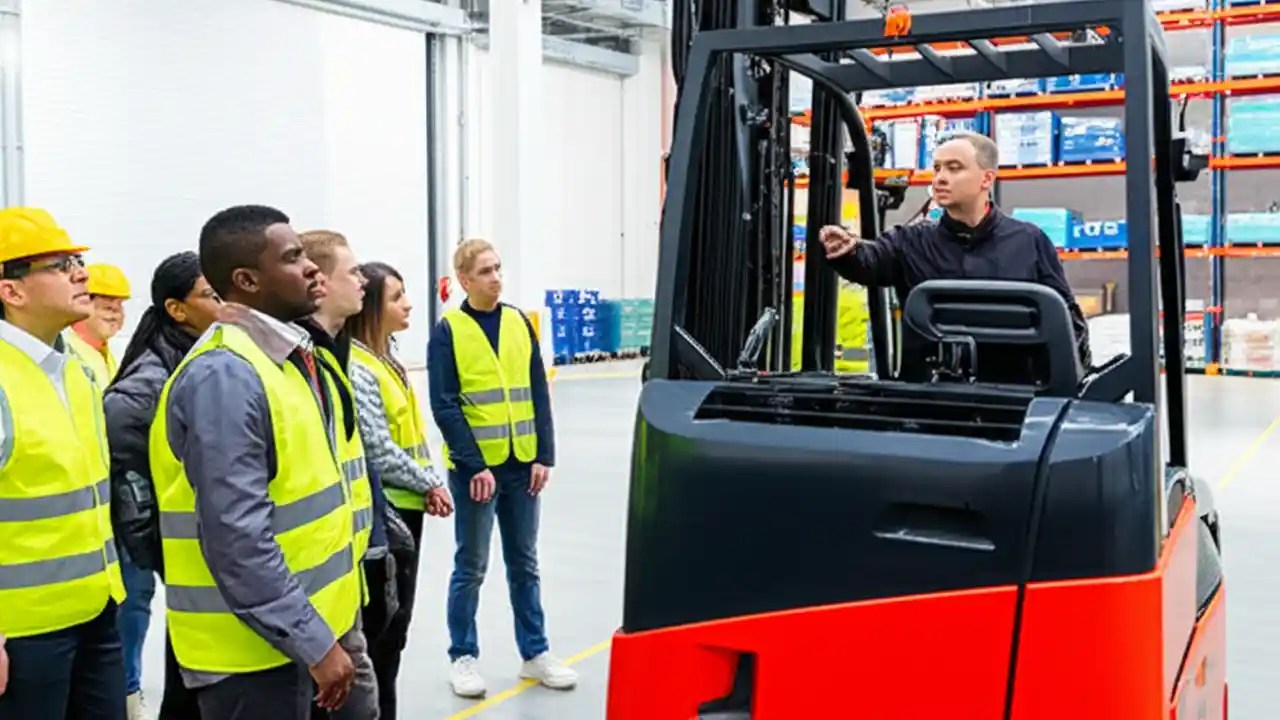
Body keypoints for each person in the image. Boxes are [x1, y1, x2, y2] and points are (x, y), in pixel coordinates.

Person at [149, 205, 361, 720]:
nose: (312, 267)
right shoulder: (226, 376)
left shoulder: (285, 358)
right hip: (255, 657)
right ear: (245, 280)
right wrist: (314, 642)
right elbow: (237, 538)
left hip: (304, 635)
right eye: (293, 258)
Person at [428, 238, 576, 698]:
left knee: (525, 563)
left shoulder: (517, 322)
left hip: (521, 464)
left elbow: (538, 390)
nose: (496, 277)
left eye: (498, 268)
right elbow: (445, 405)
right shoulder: (449, 331)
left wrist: (543, 454)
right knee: (471, 565)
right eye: (486, 271)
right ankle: (463, 656)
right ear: (465, 279)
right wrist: (474, 465)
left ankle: (535, 652)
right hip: (478, 471)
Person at [818, 131, 1092, 377]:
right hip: (932, 399)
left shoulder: (1029, 241)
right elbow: (872, 260)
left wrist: (1073, 380)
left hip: (1014, 398)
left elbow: (1067, 318)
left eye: (954, 168)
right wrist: (849, 250)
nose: (940, 178)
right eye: (937, 168)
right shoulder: (911, 240)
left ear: (987, 178)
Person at [0, 207, 128, 719]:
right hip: (24, 634)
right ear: (11, 290)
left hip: (97, 609)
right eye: (59, 264)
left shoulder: (76, 370)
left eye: (78, 260)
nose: (82, 274)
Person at [102, 251, 222, 720]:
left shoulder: (207, 358)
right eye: (211, 296)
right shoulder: (147, 383)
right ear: (177, 309)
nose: (225, 304)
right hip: (185, 557)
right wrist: (164, 555)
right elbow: (132, 488)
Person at [345, 260, 452, 716]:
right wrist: (430, 481)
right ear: (369, 307)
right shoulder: (359, 367)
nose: (408, 304)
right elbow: (378, 448)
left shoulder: (388, 359)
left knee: (397, 628)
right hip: (385, 515)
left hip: (408, 508)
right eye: (396, 297)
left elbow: (410, 439)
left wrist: (425, 484)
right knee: (382, 633)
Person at [66, 263, 131, 387]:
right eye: (108, 308)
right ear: (82, 303)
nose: (116, 316)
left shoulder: (110, 354)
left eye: (119, 307)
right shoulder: (66, 355)